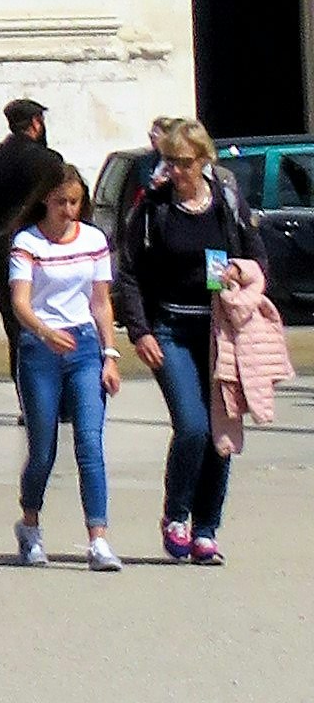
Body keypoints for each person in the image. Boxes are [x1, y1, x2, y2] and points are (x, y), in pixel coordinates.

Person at [115, 111, 269, 563]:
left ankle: (206, 528)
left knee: (220, 430)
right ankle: (176, 514)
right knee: (193, 426)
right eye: (169, 161)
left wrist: (241, 276)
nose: (175, 171)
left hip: (220, 329)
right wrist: (140, 330)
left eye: (184, 161)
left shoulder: (225, 202)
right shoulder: (153, 207)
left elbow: (255, 254)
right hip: (171, 329)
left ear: (204, 159)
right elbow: (129, 272)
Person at [2, 160, 120, 569]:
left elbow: (101, 302)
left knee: (90, 443)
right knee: (43, 450)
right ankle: (30, 525)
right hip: (41, 350)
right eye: (60, 203)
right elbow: (20, 302)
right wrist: (44, 331)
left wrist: (110, 355)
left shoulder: (93, 240)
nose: (68, 210)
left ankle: (98, 538)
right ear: (45, 201)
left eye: (75, 202)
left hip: (85, 346)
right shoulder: (28, 243)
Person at [0, 97, 63, 360]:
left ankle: (23, 382)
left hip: (1, 247)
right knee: (45, 320)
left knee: (14, 327)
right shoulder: (49, 160)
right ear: (36, 123)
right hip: (40, 245)